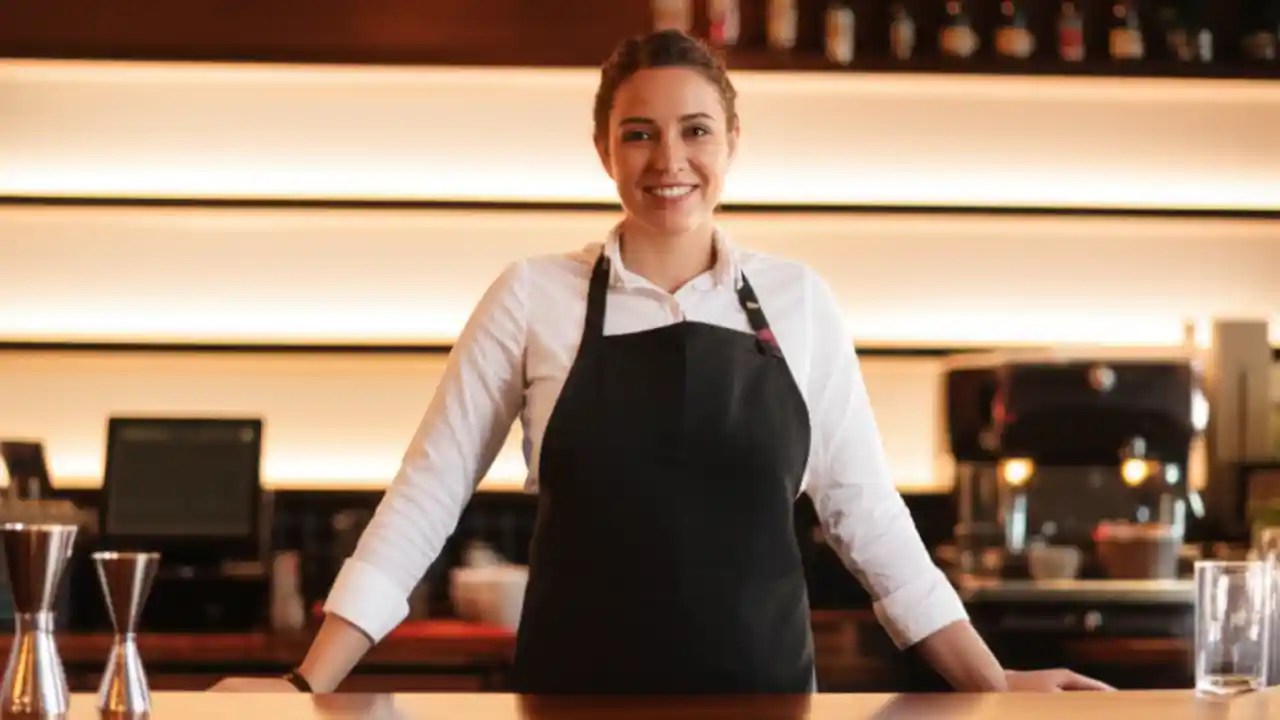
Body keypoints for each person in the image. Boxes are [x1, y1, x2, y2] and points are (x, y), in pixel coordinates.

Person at [215, 29, 1112, 695]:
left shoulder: (798, 301)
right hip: (571, 702)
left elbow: (868, 521)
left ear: (730, 144)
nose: (668, 160)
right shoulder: (533, 295)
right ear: (604, 149)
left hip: (765, 701)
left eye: (695, 131)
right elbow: (425, 498)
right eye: (639, 133)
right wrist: (307, 686)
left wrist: (995, 688)